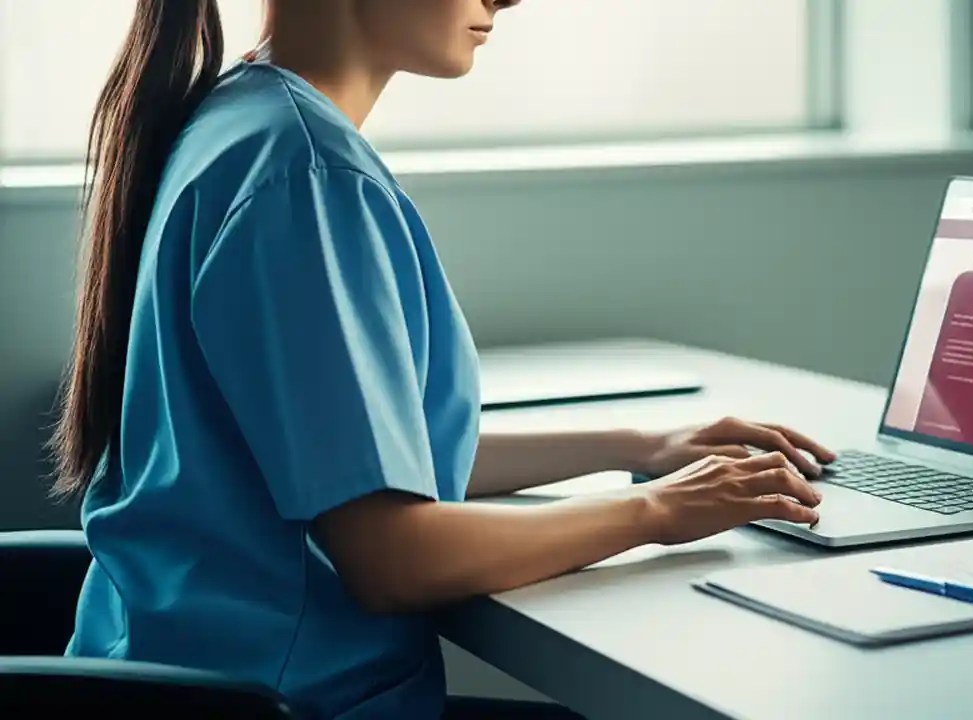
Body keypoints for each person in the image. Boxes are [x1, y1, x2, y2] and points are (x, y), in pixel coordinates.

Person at [51, 1, 834, 718]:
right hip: (287, 698)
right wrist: (657, 513)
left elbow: (362, 464)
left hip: (193, 666)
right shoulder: (306, 176)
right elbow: (391, 558)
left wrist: (636, 449)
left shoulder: (242, 117)